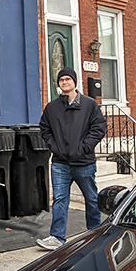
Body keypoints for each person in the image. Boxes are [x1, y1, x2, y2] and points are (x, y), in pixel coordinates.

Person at [36, 67, 106, 251]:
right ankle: (57, 237)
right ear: (58, 84)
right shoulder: (52, 107)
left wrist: (84, 147)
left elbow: (99, 128)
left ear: (75, 82)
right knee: (60, 200)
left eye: (68, 79)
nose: (65, 82)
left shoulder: (90, 105)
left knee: (91, 199)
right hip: (60, 163)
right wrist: (55, 147)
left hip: (84, 162)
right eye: (61, 80)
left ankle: (95, 232)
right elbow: (44, 129)